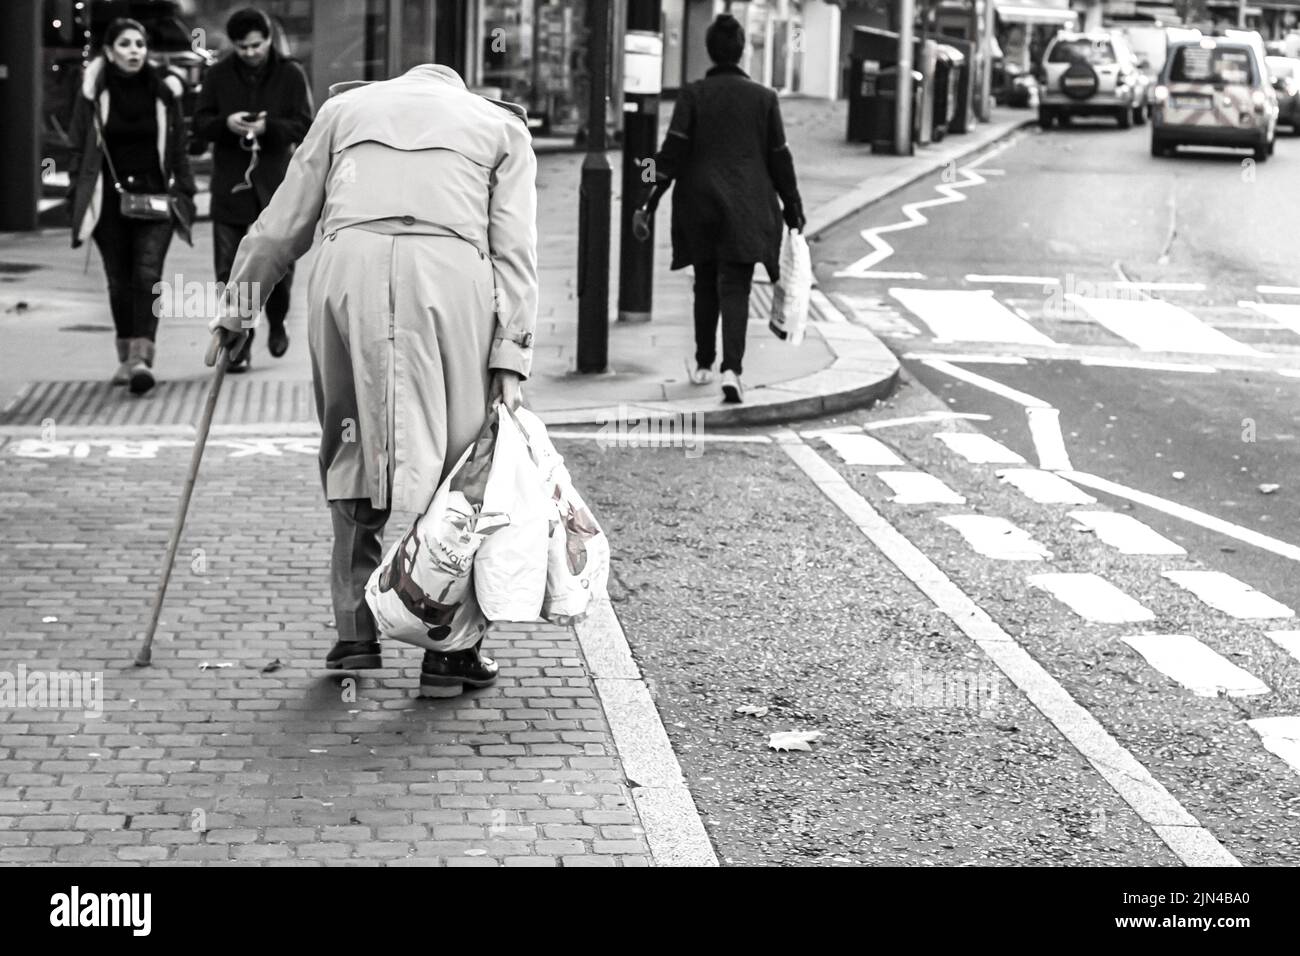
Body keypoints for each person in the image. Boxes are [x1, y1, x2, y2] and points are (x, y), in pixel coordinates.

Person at [208, 65, 537, 698]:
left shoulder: (342, 113)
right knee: (459, 461)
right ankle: (447, 653)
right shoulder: (500, 127)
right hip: (451, 281)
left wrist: (237, 310)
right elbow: (515, 253)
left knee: (352, 445)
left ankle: (354, 635)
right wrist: (510, 354)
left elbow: (280, 224)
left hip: (345, 275)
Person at [646, 13, 804, 404]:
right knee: (736, 286)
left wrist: (648, 199)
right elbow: (780, 158)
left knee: (705, 281)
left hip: (699, 204)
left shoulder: (693, 94)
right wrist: (793, 207)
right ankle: (732, 370)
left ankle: (703, 362)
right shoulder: (764, 99)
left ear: (709, 50)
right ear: (743, 49)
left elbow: (671, 153)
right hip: (747, 207)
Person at [67, 17, 196, 395]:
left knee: (147, 276)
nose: (134, 51)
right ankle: (125, 355)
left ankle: (142, 358)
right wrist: (76, 193)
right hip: (107, 202)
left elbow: (177, 146)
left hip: (158, 199)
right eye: (125, 44)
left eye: (139, 44)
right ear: (109, 51)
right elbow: (78, 147)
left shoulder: (163, 91)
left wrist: (184, 192)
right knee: (119, 282)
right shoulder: (93, 93)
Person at [193, 6, 313, 373]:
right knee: (228, 271)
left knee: (278, 264)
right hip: (231, 182)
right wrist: (225, 124)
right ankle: (238, 344)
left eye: (256, 45)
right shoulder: (217, 74)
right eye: (242, 47)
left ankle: (277, 319)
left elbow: (305, 126)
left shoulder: (291, 73)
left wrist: (269, 128)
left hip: (274, 182)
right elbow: (199, 124)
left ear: (268, 39)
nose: (250, 52)